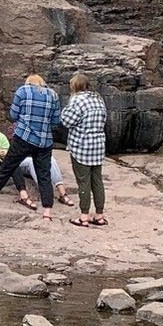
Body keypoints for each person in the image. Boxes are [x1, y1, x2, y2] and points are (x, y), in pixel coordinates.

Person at [0, 72, 60, 219]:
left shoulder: (22, 91)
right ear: (42, 83)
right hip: (44, 142)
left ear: (28, 82)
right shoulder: (53, 95)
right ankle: (47, 212)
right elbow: (56, 122)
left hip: (23, 137)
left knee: (7, 167)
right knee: (44, 175)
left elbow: (13, 115)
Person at [60, 72, 110, 226]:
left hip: (81, 147)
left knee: (83, 182)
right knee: (97, 181)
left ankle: (84, 216)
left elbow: (66, 121)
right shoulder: (98, 99)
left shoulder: (77, 100)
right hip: (98, 145)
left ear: (75, 86)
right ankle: (99, 215)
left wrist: (64, 110)